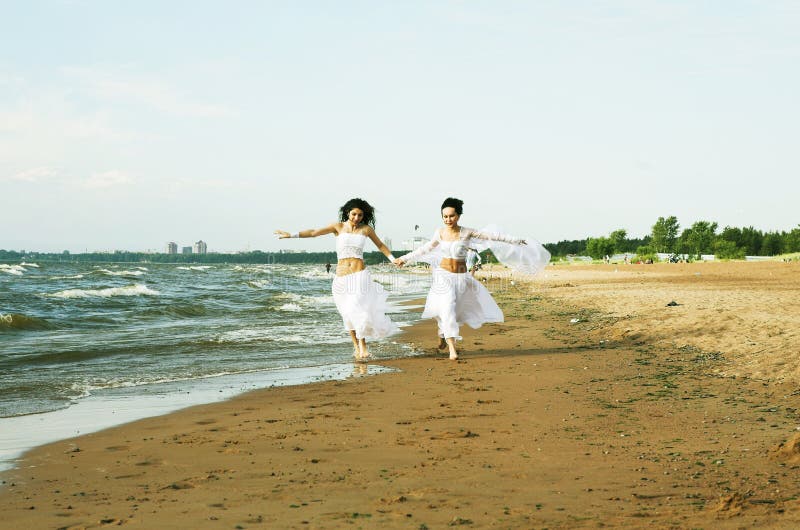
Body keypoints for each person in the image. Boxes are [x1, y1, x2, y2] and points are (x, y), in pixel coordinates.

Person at [394, 197, 549, 360]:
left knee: (456, 312)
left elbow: (493, 236)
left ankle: (442, 334)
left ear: (458, 216)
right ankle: (452, 350)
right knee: (447, 307)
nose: (448, 219)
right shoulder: (439, 233)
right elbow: (424, 249)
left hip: (461, 278)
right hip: (443, 277)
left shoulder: (467, 232)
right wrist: (404, 258)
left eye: (451, 216)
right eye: (445, 216)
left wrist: (515, 241)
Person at [275, 198, 398, 361]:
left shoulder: (366, 229)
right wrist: (291, 235)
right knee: (347, 314)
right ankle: (355, 346)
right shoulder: (337, 227)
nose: (356, 218)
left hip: (359, 275)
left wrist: (392, 259)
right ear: (348, 213)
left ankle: (363, 345)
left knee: (356, 308)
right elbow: (313, 232)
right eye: (354, 214)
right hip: (341, 278)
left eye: (360, 215)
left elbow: (380, 245)